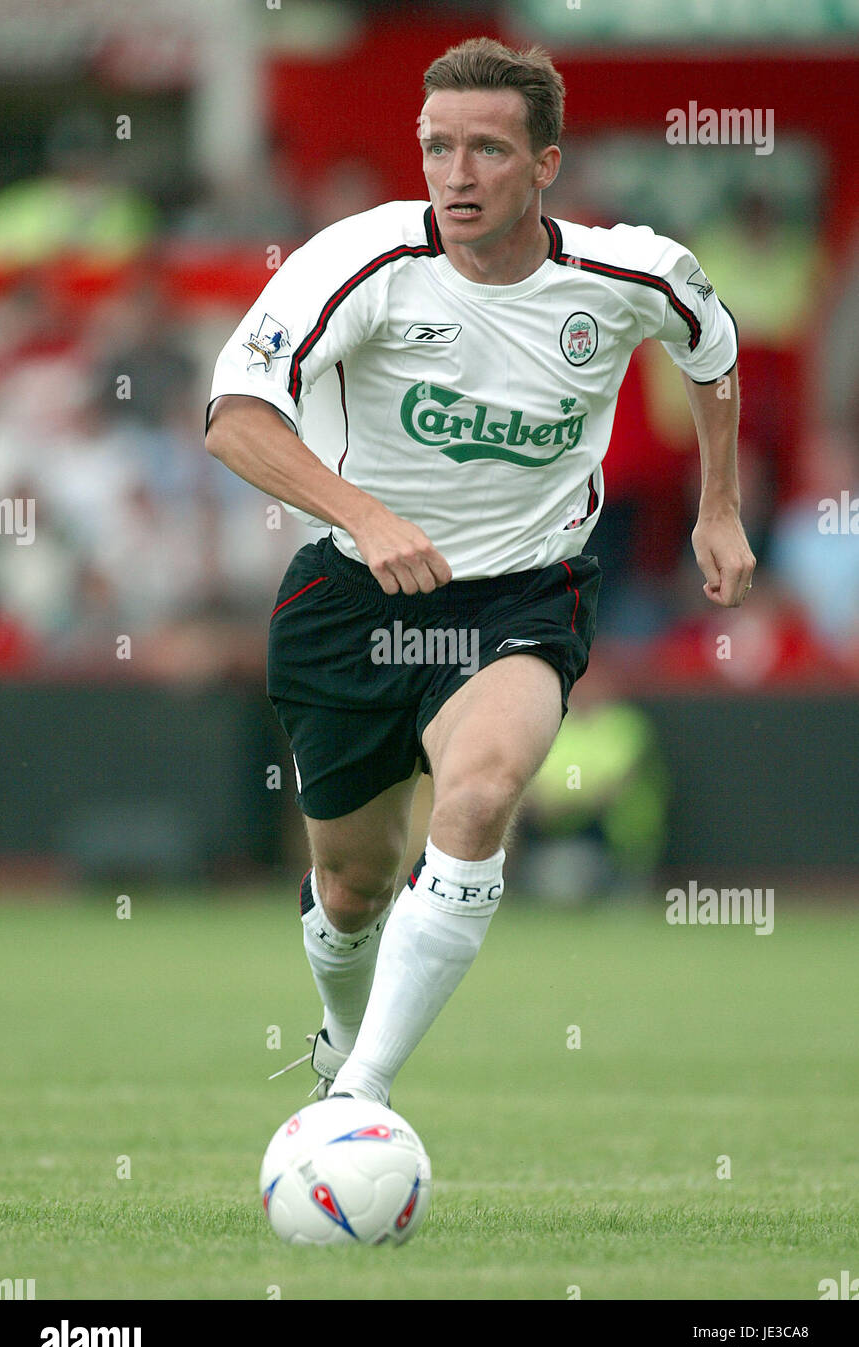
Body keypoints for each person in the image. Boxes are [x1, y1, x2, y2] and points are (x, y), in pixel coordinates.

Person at [205, 37, 755, 1107]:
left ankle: (358, 1099)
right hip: (352, 596)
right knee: (351, 887)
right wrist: (366, 517)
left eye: (487, 150)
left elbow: (710, 342)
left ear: (545, 164)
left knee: (478, 796)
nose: (455, 175)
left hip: (520, 595)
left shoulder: (630, 273)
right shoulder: (356, 261)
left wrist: (719, 505)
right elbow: (234, 419)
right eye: (436, 147)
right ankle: (341, 1040)